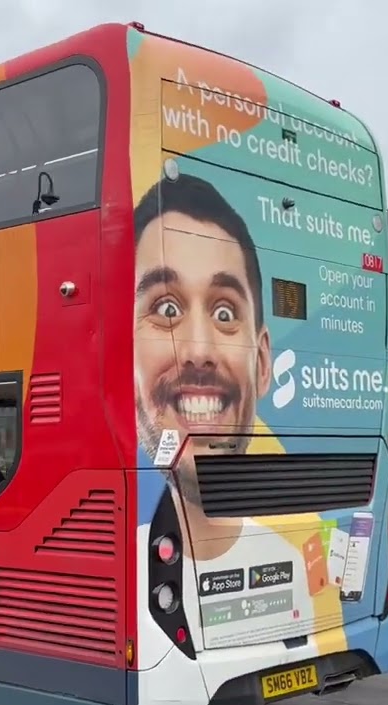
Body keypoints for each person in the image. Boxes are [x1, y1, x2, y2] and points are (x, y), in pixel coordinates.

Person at [132, 172, 271, 560]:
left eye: (225, 312)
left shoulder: (290, 560)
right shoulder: (110, 562)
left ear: (261, 364)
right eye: (167, 309)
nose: (197, 350)